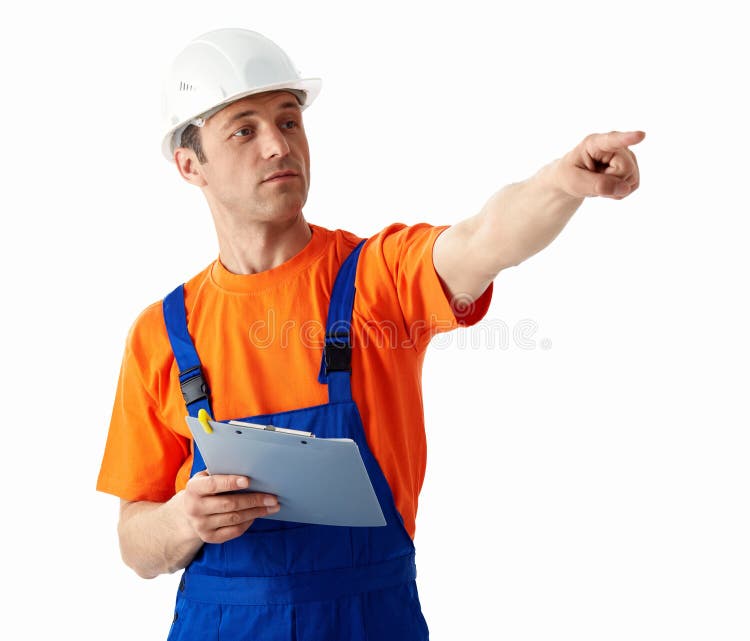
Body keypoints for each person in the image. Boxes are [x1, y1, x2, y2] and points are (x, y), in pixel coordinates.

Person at [96, 27, 644, 641]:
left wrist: (561, 183)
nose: (279, 145)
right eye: (244, 130)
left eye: (289, 121)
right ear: (190, 164)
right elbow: (135, 544)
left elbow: (483, 241)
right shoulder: (163, 334)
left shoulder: (374, 281)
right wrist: (182, 522)